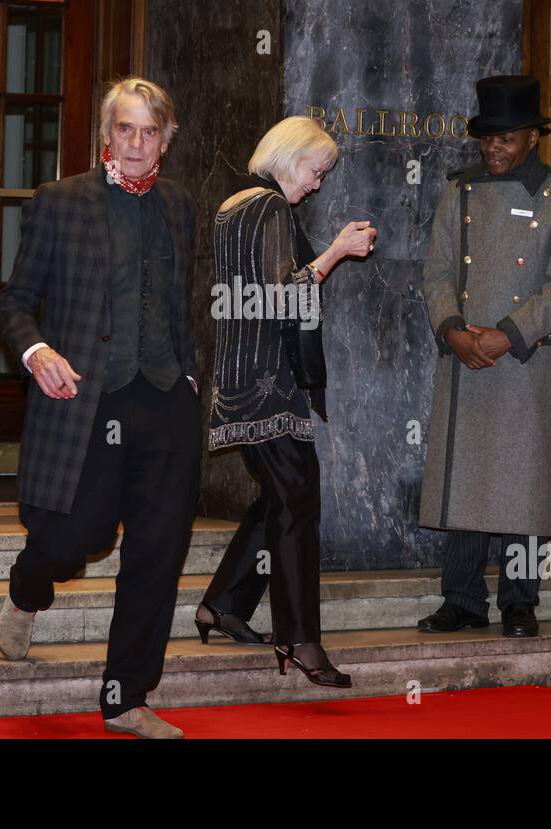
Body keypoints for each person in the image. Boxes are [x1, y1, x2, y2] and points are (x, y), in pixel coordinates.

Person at [0, 77, 200, 739]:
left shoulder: (179, 204)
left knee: (158, 551)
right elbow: (15, 302)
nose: (137, 143)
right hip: (87, 397)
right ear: (104, 134)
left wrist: (191, 375)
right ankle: (28, 585)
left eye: (149, 131)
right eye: (125, 129)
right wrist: (38, 352)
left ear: (165, 139)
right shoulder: (61, 202)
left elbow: (177, 302)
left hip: (164, 399)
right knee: (75, 535)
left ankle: (125, 697)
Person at [198, 116, 376, 688]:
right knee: (298, 503)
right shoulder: (270, 207)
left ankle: (222, 604)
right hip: (267, 387)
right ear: (288, 154)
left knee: (280, 499)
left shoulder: (234, 204)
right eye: (315, 169)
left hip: (239, 379)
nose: (318, 183)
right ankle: (299, 639)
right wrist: (338, 251)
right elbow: (284, 297)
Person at [418, 75, 551, 638]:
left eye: (507, 139)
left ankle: (520, 601)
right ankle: (463, 599)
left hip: (525, 363)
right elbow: (437, 272)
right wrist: (452, 330)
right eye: (488, 139)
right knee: (467, 479)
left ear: (534, 139)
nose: (494, 149)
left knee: (522, 483)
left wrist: (509, 334)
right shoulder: (459, 192)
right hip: (466, 358)